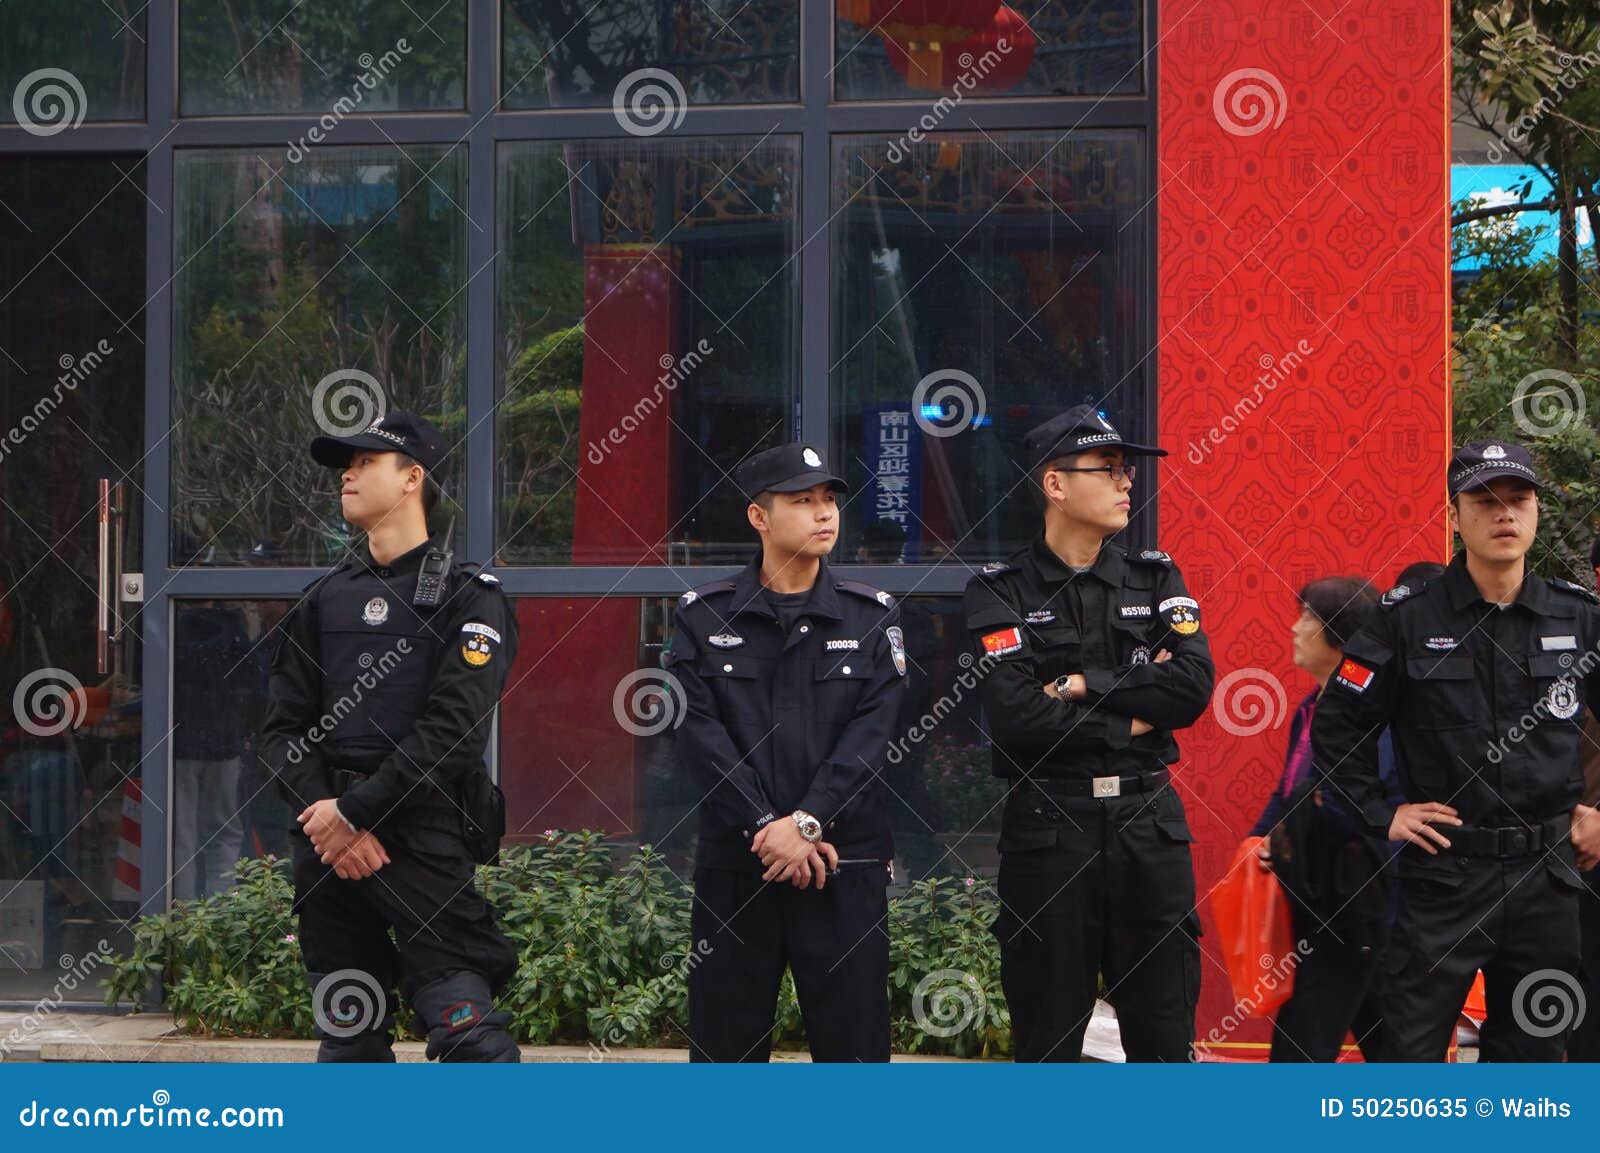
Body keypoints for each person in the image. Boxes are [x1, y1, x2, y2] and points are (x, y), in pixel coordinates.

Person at [1312, 439, 1600, 1061]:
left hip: (1545, 877)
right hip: (1445, 876)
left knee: (1533, 1060)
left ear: (1536, 513)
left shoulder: (1576, 618)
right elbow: (1339, 725)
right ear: (1453, 515)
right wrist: (1379, 813)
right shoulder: (1406, 619)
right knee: (1408, 1054)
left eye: (1518, 500)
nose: (1504, 515)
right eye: (1485, 501)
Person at [261, 410, 521, 1063]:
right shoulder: (322, 600)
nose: (347, 474)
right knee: (349, 1039)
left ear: (412, 477)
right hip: (328, 851)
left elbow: (453, 732)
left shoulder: (471, 598)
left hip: (424, 839)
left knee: (472, 1040)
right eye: (344, 463)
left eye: (365, 461)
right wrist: (331, 819)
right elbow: (282, 730)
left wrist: (354, 813)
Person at [963, 405, 1215, 1062]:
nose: (1126, 482)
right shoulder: (1000, 592)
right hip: (1051, 828)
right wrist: (1134, 709)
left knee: (1163, 1039)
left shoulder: (1156, 578)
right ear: (1055, 484)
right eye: (1107, 469)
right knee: (1047, 1041)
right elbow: (1018, 717)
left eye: (1126, 470)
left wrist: (1080, 684)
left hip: (1148, 827)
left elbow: (1190, 688)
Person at [664, 443, 906, 1062]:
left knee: (853, 1051)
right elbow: (699, 737)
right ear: (759, 517)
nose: (824, 513)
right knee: (726, 1051)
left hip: (842, 863)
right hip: (740, 866)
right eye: (803, 501)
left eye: (829, 500)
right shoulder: (702, 617)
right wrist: (765, 826)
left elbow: (870, 742)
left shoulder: (872, 617)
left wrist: (804, 823)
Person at [1251, 576, 1399, 1062]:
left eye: (1308, 618)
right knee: (1386, 1036)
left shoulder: (1375, 716)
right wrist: (1258, 840)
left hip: (1357, 898)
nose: (1294, 629)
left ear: (1340, 634)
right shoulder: (1309, 709)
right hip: (1315, 896)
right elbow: (1290, 791)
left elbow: (1359, 803)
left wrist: (1294, 833)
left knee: (1304, 1042)